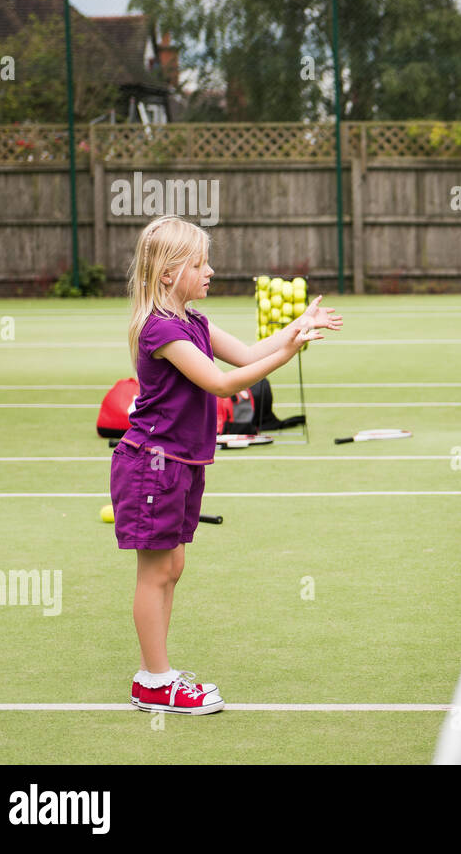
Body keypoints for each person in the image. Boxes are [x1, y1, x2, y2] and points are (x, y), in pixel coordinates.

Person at [111, 216, 342, 714]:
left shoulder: (194, 321)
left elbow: (248, 353)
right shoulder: (162, 330)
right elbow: (221, 383)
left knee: (172, 566)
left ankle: (156, 674)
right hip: (152, 465)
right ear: (169, 274)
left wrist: (294, 329)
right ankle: (155, 680)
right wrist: (290, 352)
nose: (210, 270)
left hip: (182, 464)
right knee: (154, 573)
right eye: (199, 263)